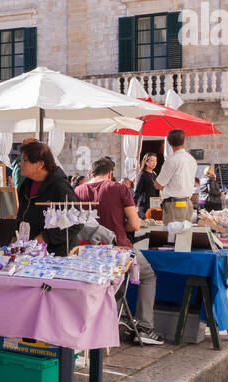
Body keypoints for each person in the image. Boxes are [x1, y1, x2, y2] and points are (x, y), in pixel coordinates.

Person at [75, 156, 163, 345]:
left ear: (91, 173)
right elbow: (135, 224)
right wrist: (120, 226)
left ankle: (116, 318)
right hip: (117, 249)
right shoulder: (119, 189)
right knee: (148, 276)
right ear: (110, 173)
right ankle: (146, 327)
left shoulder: (78, 190)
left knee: (113, 283)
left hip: (86, 252)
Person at [16, 139, 79, 250]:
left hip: (56, 254)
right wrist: (15, 233)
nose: (20, 163)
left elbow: (76, 223)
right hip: (31, 250)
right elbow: (22, 213)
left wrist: (46, 237)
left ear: (40, 164)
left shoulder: (60, 187)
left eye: (24, 160)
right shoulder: (26, 185)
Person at [153, 130, 198, 224]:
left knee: (171, 236)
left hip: (175, 204)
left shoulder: (171, 161)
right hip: (187, 203)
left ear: (169, 143)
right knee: (184, 236)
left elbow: (158, 185)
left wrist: (167, 187)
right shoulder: (191, 159)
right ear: (184, 141)